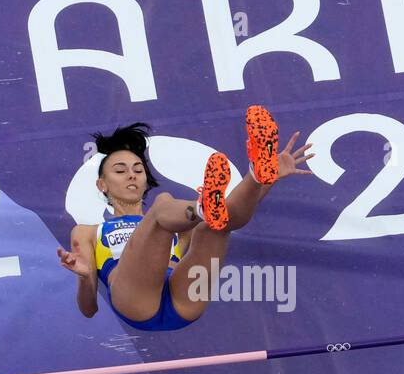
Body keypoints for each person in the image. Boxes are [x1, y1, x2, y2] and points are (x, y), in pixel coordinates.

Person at [57, 107, 313, 330]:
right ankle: (204, 208)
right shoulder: (88, 231)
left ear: (146, 180)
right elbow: (88, 309)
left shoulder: (175, 220)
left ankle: (256, 175)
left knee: (215, 227)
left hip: (185, 298)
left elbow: (230, 215)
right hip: (134, 302)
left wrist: (263, 184)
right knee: (165, 205)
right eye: (120, 170)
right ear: (102, 184)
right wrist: (83, 276)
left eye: (138, 169)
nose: (132, 175)